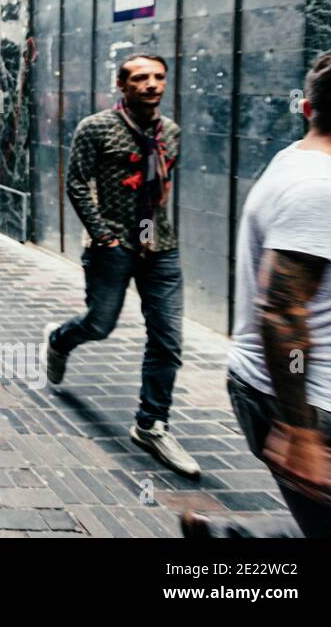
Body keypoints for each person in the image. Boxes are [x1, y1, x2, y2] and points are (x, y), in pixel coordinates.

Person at [182, 46, 331, 537]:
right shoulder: (324, 189)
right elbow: (280, 311)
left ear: (308, 109)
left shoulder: (296, 159)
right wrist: (299, 429)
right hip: (317, 406)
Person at [43, 54, 198, 478]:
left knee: (167, 338)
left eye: (159, 77)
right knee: (100, 324)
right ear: (122, 84)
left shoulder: (170, 132)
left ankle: (151, 423)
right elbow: (75, 182)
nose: (152, 84)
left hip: (159, 246)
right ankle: (60, 340)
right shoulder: (95, 128)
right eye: (141, 78)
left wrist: (150, 235)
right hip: (111, 245)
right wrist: (105, 234)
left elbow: (161, 187)